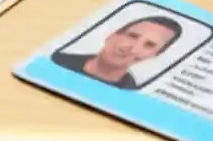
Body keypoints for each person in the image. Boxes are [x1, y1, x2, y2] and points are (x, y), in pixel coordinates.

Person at [53, 15, 183, 90]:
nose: (133, 48)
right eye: (132, 36)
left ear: (156, 55)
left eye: (149, 45)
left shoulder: (131, 94)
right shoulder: (56, 61)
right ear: (111, 36)